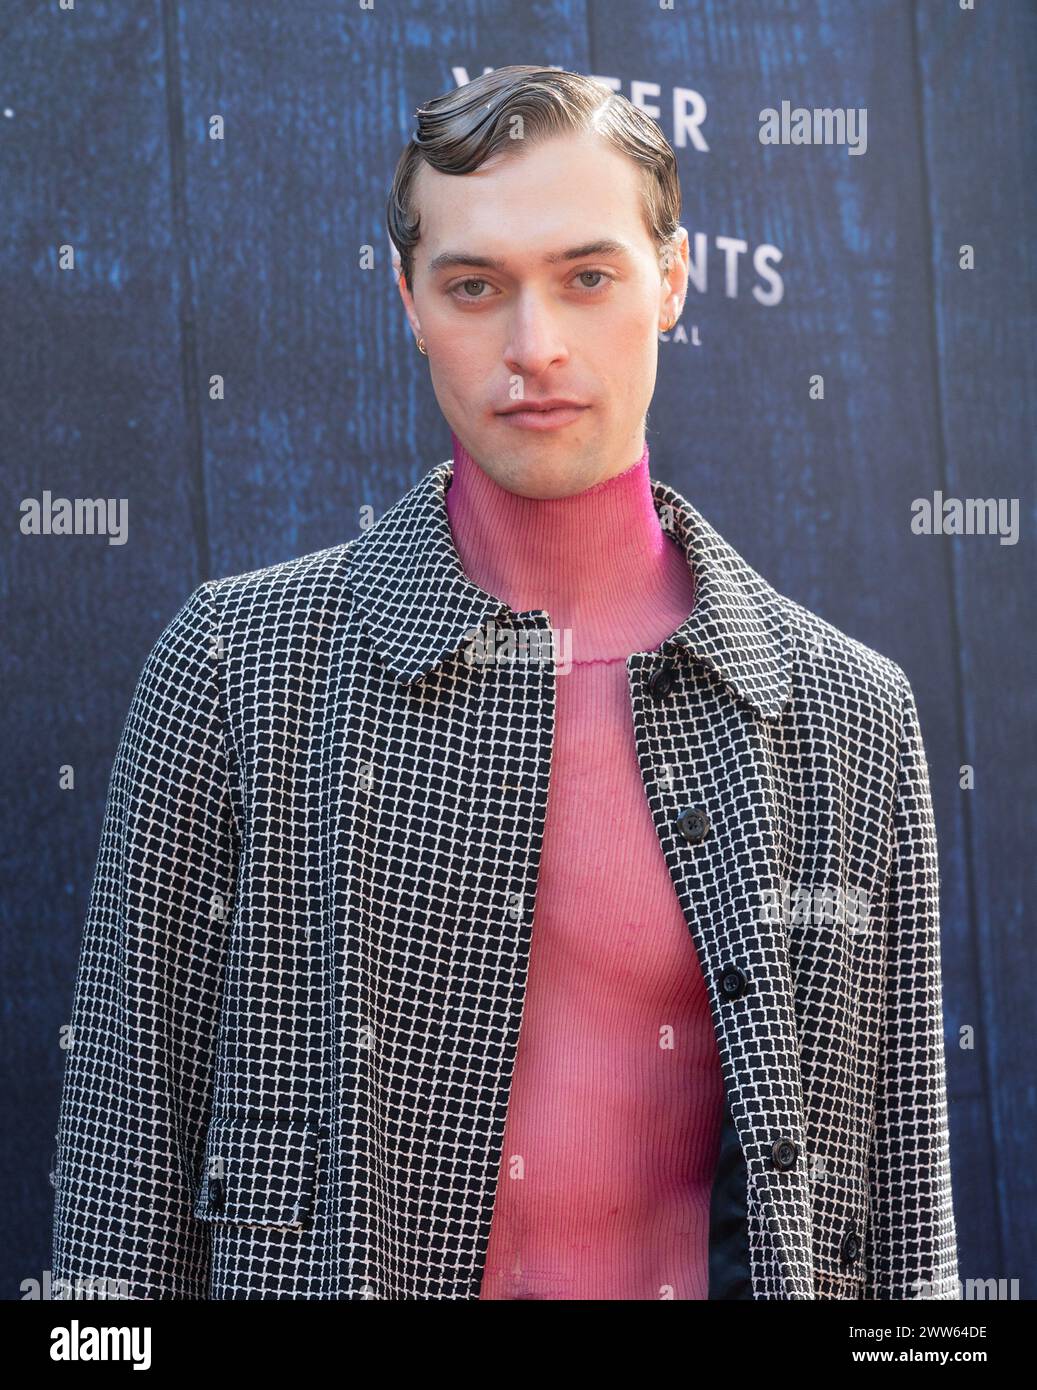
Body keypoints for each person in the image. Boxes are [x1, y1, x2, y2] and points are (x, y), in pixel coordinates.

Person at [52, 64, 959, 1301]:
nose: (534, 347)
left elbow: (903, 1224)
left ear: (673, 280)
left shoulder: (849, 714)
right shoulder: (236, 668)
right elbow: (118, 1196)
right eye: (474, 286)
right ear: (409, 303)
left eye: (587, 276)